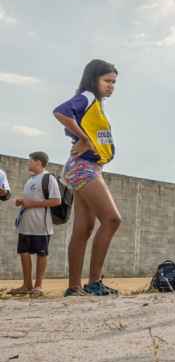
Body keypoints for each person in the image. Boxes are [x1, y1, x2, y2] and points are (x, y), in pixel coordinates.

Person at [53, 59, 121, 297]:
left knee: (84, 228)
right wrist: (83, 139)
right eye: (107, 81)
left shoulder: (96, 104)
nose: (111, 86)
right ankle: (94, 283)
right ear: (94, 79)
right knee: (112, 219)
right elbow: (61, 111)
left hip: (88, 167)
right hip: (84, 167)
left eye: (114, 82)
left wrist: (85, 138)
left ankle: (74, 287)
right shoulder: (88, 97)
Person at [9, 151, 61, 296]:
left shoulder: (48, 178)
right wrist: (22, 202)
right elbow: (29, 201)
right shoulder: (30, 180)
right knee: (23, 253)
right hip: (25, 225)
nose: (28, 163)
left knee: (41, 254)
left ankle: (38, 286)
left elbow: (56, 201)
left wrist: (31, 204)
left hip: (41, 226)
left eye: (30, 161)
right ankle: (26, 285)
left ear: (38, 162)